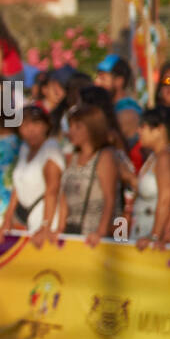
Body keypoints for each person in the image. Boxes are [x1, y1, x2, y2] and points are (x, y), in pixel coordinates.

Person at [0, 105, 63, 247]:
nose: (30, 129)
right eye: (25, 125)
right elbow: (18, 187)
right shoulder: (25, 148)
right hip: (28, 223)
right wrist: (7, 219)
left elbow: (52, 191)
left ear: (46, 126)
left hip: (48, 223)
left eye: (36, 123)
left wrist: (46, 226)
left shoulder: (51, 148)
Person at [56, 104, 120, 245]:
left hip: (94, 234)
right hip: (72, 231)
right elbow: (64, 197)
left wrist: (101, 232)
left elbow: (110, 199)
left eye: (78, 127)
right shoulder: (72, 157)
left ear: (92, 128)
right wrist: (60, 228)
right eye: (70, 126)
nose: (71, 132)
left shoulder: (105, 156)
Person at [133, 107, 170, 249]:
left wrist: (155, 235)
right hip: (141, 229)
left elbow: (166, 199)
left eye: (143, 126)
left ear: (159, 129)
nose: (138, 131)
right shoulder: (154, 157)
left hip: (150, 234)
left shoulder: (164, 158)